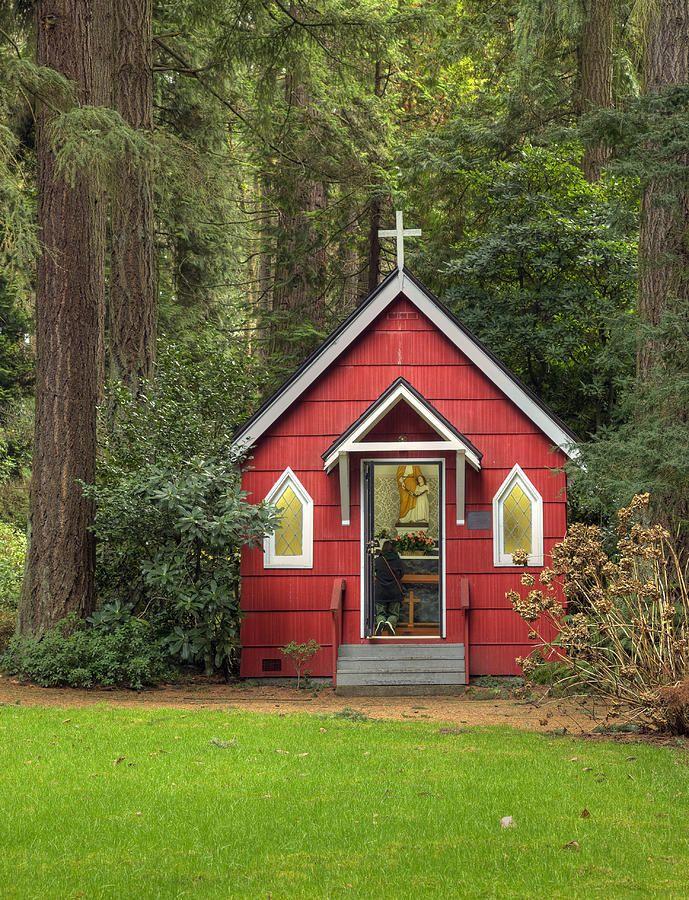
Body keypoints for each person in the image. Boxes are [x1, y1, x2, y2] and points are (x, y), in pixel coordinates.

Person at [374, 540, 404, 635]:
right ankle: (390, 623)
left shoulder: (377, 561)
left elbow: (373, 573)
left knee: (380, 613)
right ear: (395, 549)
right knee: (394, 613)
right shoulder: (398, 561)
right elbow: (402, 574)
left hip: (380, 591)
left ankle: (381, 622)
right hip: (394, 591)